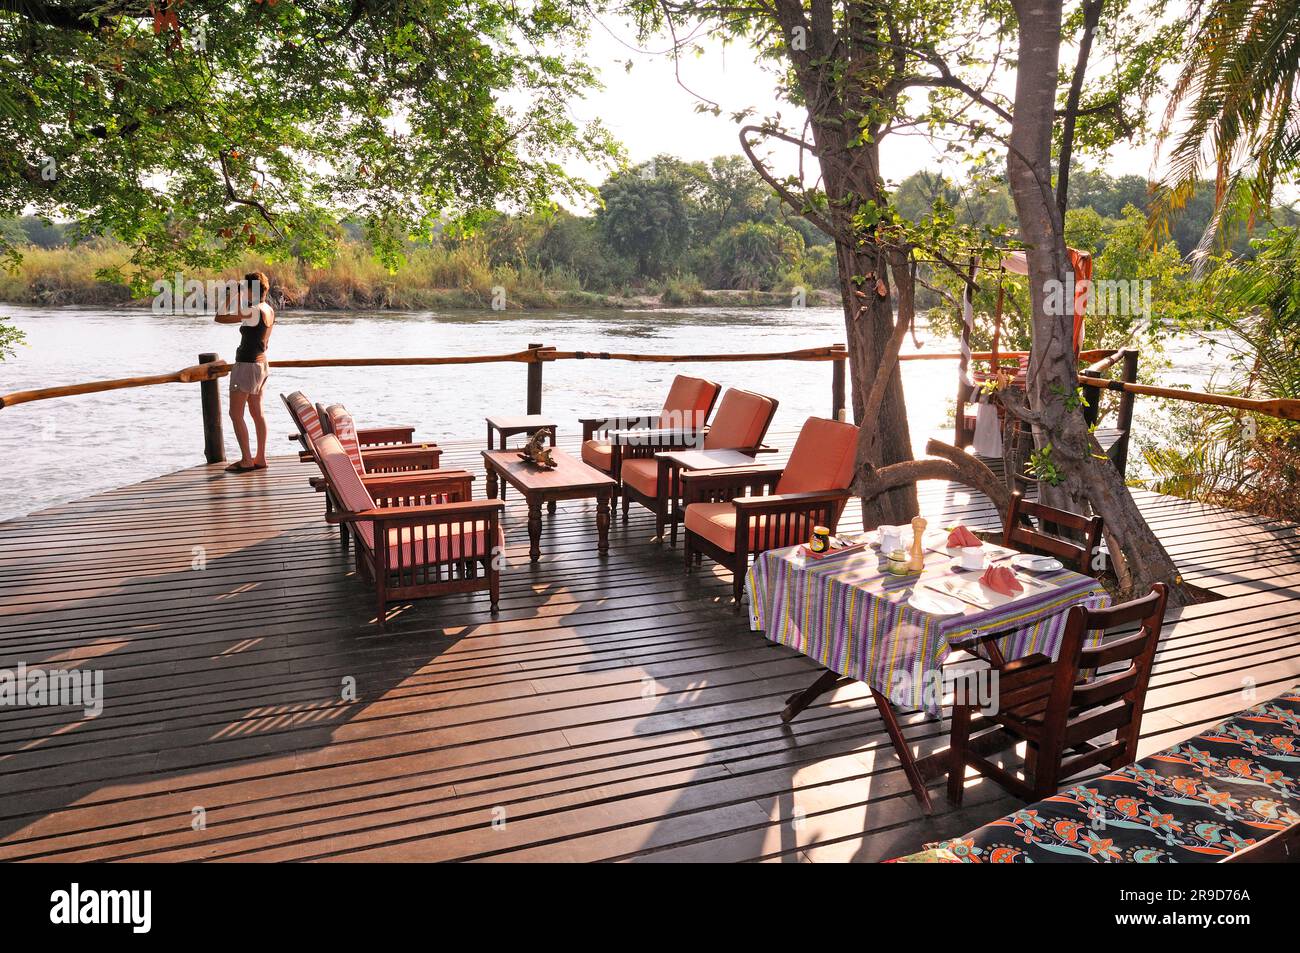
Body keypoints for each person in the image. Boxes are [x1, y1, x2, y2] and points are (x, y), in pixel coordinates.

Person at [215, 272, 275, 472]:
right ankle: (260, 458)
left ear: (251, 289)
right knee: (257, 413)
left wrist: (232, 293)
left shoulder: (253, 310)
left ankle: (246, 460)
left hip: (247, 365)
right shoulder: (268, 309)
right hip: (261, 366)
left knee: (235, 413)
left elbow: (220, 317)